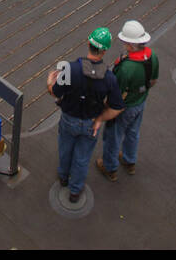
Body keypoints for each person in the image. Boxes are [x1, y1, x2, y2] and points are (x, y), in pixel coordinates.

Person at [49, 28, 124, 203]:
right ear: (104, 51)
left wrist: (49, 81)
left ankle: (63, 177)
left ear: (89, 43)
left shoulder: (70, 69)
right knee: (82, 158)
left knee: (65, 149)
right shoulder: (109, 78)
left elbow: (55, 92)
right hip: (91, 123)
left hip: (69, 119)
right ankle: (75, 191)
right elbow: (118, 107)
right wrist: (99, 119)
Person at [96, 20, 158, 180]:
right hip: (140, 102)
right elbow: (153, 81)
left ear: (130, 44)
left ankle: (110, 168)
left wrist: (105, 109)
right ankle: (129, 161)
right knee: (133, 132)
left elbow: (115, 94)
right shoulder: (152, 56)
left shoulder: (126, 68)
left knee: (113, 137)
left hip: (124, 107)